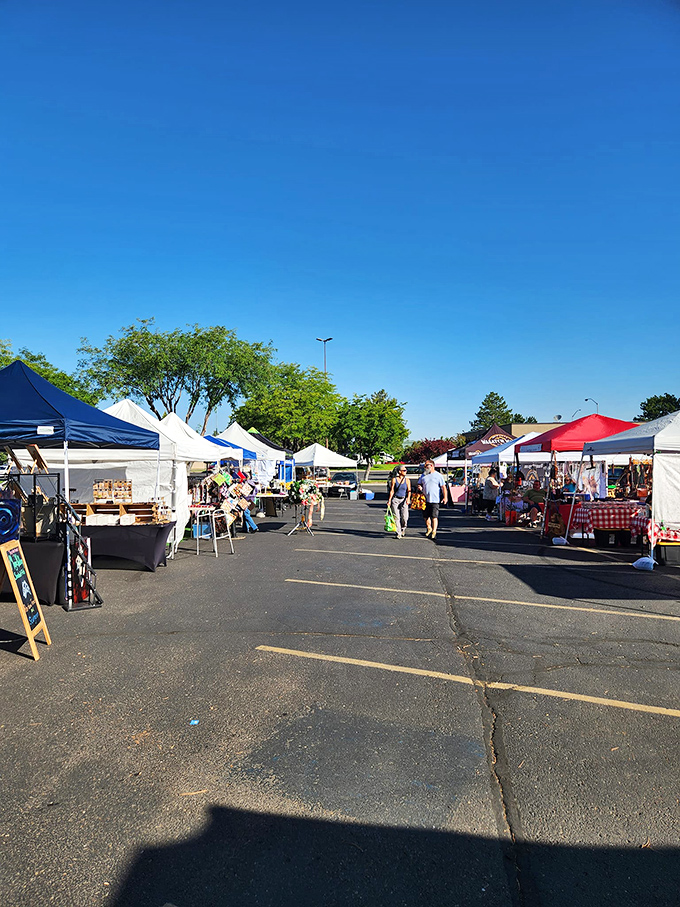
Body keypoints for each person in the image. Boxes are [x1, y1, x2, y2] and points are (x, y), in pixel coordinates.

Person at [417, 460, 448, 540]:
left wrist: (445, 497)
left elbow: (443, 487)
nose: (425, 467)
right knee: (425, 516)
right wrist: (419, 487)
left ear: (432, 466)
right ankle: (429, 528)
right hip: (424, 499)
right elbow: (419, 483)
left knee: (434, 516)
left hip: (435, 499)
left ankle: (434, 532)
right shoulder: (423, 475)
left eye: (426, 465)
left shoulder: (438, 476)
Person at [386, 465, 411, 538]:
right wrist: (389, 500)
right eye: (404, 470)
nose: (406, 471)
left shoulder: (407, 480)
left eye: (406, 470)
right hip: (395, 499)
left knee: (404, 517)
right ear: (400, 472)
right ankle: (398, 532)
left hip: (404, 499)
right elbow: (392, 490)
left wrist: (408, 498)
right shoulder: (394, 479)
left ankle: (403, 529)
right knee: (396, 517)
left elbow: (409, 491)